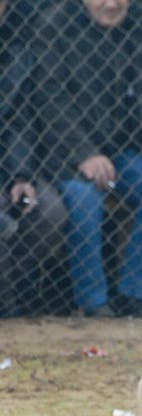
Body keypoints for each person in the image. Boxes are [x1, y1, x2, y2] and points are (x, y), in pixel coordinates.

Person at [33, 0, 142, 317]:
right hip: (68, 154)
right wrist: (83, 153)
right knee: (82, 198)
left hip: (131, 151)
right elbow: (48, 97)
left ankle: (137, 294)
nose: (112, 4)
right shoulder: (54, 26)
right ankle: (93, 302)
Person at [0, 0, 67, 317]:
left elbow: (20, 122)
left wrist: (21, 176)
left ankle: (17, 297)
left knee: (47, 210)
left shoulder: (16, 53)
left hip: (7, 170)